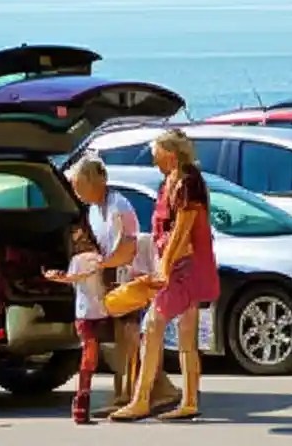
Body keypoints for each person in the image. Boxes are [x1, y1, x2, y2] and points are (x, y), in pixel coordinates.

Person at [112, 129, 220, 422]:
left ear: (170, 153)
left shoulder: (186, 182)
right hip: (184, 266)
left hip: (184, 268)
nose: (153, 159)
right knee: (185, 335)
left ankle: (141, 400)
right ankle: (189, 401)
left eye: (156, 153)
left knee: (152, 326)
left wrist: (163, 268)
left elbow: (182, 230)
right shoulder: (172, 181)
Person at [67, 155, 180, 417]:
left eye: (80, 185)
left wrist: (102, 264)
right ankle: (132, 393)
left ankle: (138, 394)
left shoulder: (119, 205)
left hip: (131, 277)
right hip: (113, 278)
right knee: (124, 341)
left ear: (96, 181)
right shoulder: (94, 210)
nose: (77, 191)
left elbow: (128, 247)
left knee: (130, 338)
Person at [42, 223, 107, 424]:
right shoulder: (100, 258)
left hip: (85, 313)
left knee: (87, 356)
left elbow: (72, 279)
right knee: (91, 355)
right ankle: (83, 401)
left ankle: (81, 400)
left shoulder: (78, 260)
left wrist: (54, 277)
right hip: (101, 311)